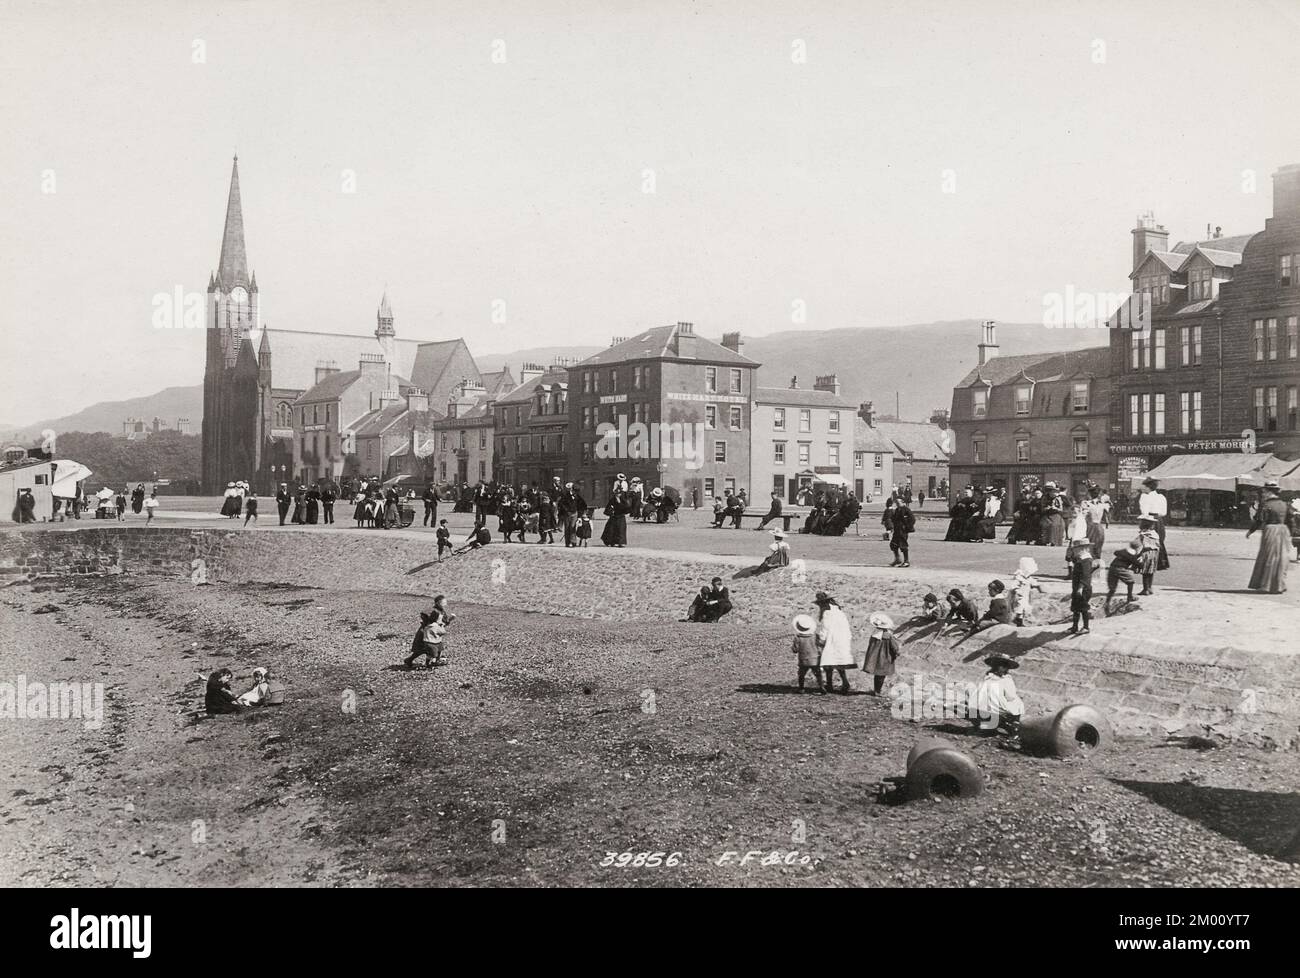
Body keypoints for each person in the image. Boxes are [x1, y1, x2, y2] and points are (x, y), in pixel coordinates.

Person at [1246, 481, 1290, 594]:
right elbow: (1290, 520)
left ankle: (1266, 585)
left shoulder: (1265, 504)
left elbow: (1259, 520)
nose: (1263, 493)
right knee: (1280, 558)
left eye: (1265, 491)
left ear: (1269, 491)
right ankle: (1279, 585)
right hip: (1283, 531)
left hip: (1271, 530)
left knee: (1268, 556)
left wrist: (1250, 531)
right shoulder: (1284, 504)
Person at [814, 592, 855, 694]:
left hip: (832, 639)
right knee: (839, 662)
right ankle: (845, 683)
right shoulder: (839, 611)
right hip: (843, 639)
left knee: (828, 662)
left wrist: (821, 640)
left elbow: (825, 628)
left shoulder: (826, 613)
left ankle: (830, 685)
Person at [971, 655, 1024, 735]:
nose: (1005, 669)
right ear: (996, 666)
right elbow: (1010, 696)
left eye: (1006, 667)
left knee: (1016, 705)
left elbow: (1010, 696)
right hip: (992, 707)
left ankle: (1011, 729)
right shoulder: (994, 679)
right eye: (1002, 666)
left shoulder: (995, 678)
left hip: (994, 707)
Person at [861, 612, 900, 695]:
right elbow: (894, 647)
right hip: (885, 658)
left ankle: (876, 690)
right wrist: (897, 652)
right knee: (881, 676)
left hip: (875, 658)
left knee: (877, 675)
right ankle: (878, 691)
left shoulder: (874, 635)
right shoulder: (888, 636)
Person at [1137, 477, 1170, 571]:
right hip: (1159, 519)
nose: (1142, 488)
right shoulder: (1161, 497)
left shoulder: (1145, 497)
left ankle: (1146, 561)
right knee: (1159, 539)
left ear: (1148, 487)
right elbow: (1164, 512)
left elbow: (1144, 511)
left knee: (1147, 539)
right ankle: (1161, 562)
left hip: (1149, 519)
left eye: (1143, 486)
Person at [1104, 541, 1142, 614]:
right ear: (1137, 548)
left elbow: (1116, 552)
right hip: (1120, 569)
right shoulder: (1132, 555)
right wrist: (1140, 561)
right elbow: (1138, 565)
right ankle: (1129, 596)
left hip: (1112, 568)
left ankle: (1107, 601)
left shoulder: (1124, 551)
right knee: (1130, 581)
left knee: (1112, 588)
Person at [791, 614, 824, 694]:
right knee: (818, 674)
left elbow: (795, 650)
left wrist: (793, 647)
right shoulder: (815, 636)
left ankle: (801, 688)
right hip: (815, 659)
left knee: (801, 674)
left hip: (803, 660)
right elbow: (820, 644)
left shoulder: (798, 638)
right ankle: (822, 687)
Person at [1068, 540, 1094, 634]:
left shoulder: (1086, 560)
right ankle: (1074, 626)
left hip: (1083, 588)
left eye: (1075, 549)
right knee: (1075, 607)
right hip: (1077, 587)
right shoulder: (1081, 558)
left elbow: (1085, 575)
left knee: (1083, 607)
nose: (1073, 551)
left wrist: (1081, 587)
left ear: (1081, 549)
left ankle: (1086, 627)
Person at [1134, 515, 1162, 596]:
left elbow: (1141, 546)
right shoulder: (1154, 534)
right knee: (1150, 571)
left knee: (1145, 572)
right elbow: (1158, 545)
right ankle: (1150, 588)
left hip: (1146, 554)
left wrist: (1137, 555)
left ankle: (1145, 589)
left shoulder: (1143, 534)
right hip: (1154, 554)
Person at [1011, 556, 1042, 626]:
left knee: (1025, 607)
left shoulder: (1029, 578)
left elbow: (1034, 583)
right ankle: (1018, 620)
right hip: (1020, 595)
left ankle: (1021, 620)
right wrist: (1017, 591)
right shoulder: (1019, 577)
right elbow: (1014, 586)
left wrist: (1038, 587)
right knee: (1020, 607)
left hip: (1026, 595)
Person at [889, 497, 915, 567]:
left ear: (903, 502)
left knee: (903, 545)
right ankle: (897, 559)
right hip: (897, 530)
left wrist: (907, 527)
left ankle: (906, 561)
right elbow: (894, 519)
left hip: (903, 531)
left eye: (898, 502)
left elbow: (912, 519)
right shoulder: (897, 510)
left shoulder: (906, 510)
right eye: (896, 502)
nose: (897, 504)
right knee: (893, 545)